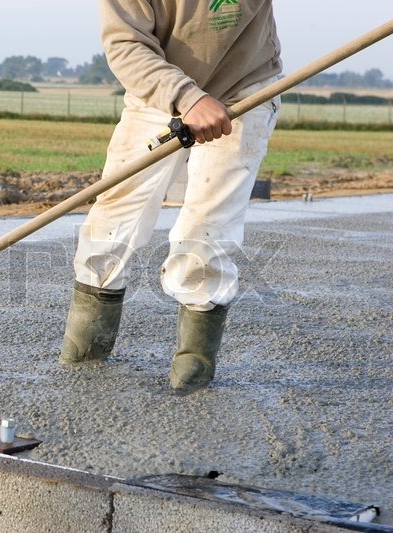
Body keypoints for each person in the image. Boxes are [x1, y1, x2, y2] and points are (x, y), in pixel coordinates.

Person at [59, 0, 283, 394]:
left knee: (206, 231)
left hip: (241, 91)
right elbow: (125, 44)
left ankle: (192, 374)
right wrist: (188, 98)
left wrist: (208, 101)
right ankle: (85, 356)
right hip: (159, 87)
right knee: (111, 221)